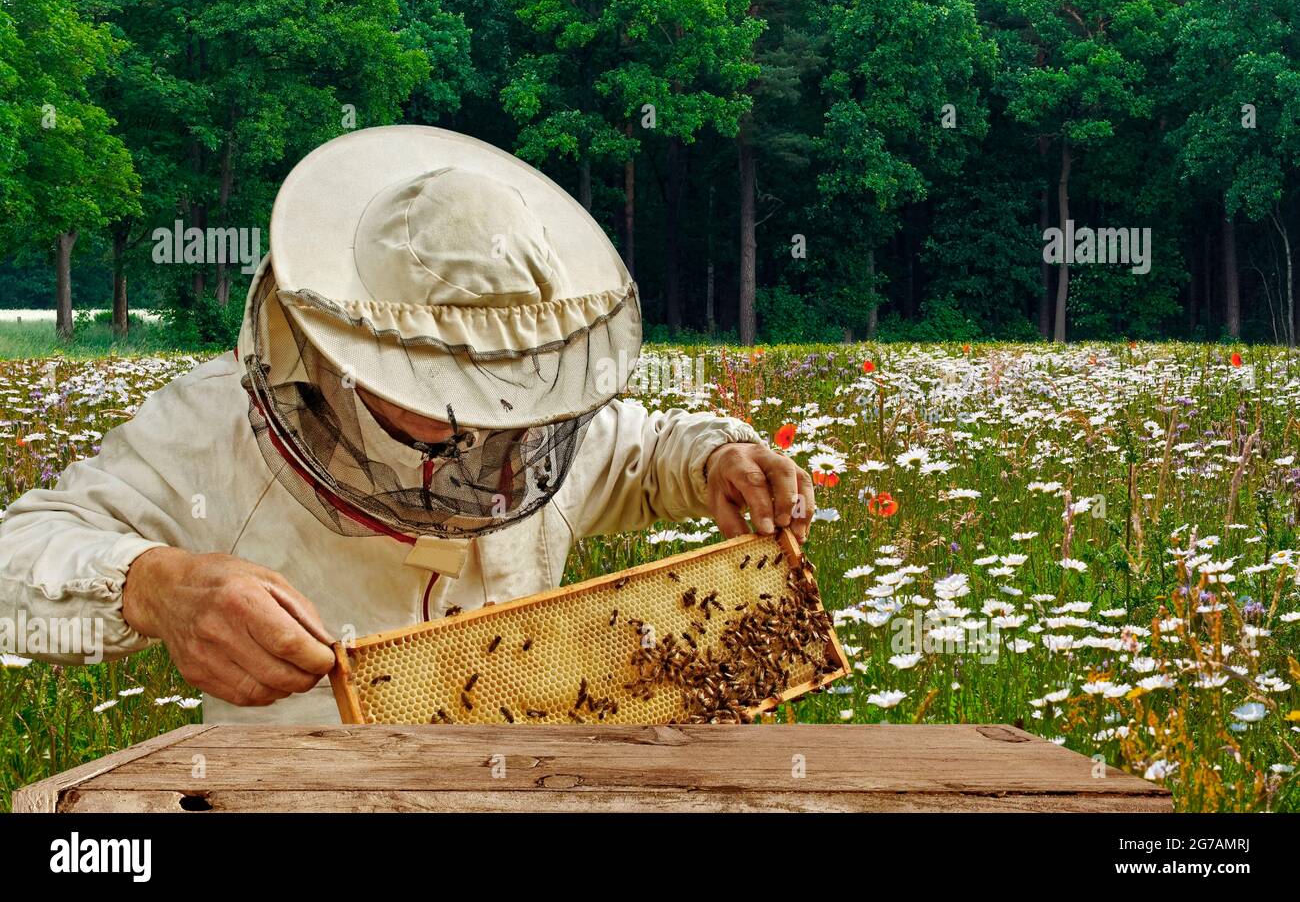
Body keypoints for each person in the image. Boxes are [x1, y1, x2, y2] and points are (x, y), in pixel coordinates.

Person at [0, 126, 814, 723]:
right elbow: (15, 561)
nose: (477, 420)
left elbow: (640, 454)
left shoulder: (532, 426)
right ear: (344, 351)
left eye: (501, 382)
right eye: (436, 382)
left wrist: (717, 456)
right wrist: (155, 586)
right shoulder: (212, 426)